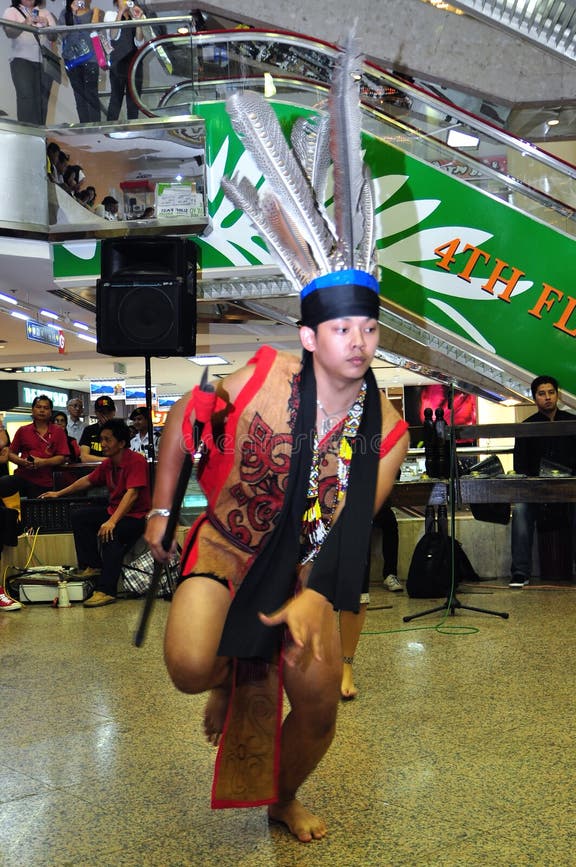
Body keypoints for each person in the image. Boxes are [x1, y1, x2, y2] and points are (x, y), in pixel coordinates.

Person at [146, 289, 409, 840]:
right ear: (310, 337)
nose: (358, 342)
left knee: (319, 707)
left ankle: (281, 798)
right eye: (342, 330)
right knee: (190, 668)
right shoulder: (263, 378)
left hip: (309, 570)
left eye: (369, 328)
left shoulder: (384, 432)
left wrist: (314, 596)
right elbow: (184, 417)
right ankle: (231, 676)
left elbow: (353, 525)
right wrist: (161, 509)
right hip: (231, 544)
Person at [41, 419, 150, 607]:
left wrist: (112, 522)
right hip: (114, 512)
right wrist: (58, 493)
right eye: (102, 439)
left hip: (136, 517)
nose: (103, 444)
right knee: (80, 516)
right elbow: (87, 481)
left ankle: (107, 590)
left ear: (122, 443)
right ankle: (93, 565)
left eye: (108, 440)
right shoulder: (109, 464)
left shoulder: (136, 461)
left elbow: (132, 495)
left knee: (110, 534)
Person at [509, 375, 576, 587]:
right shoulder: (526, 427)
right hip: (536, 491)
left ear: (557, 395)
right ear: (535, 398)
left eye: (551, 393)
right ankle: (520, 572)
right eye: (542, 394)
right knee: (520, 510)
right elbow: (520, 466)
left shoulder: (572, 422)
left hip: (569, 489)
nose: (547, 397)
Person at [1, 394, 69, 498]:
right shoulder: (23, 430)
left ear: (51, 412)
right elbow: (10, 454)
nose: (42, 410)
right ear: (32, 410)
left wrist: (42, 462)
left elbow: (63, 457)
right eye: (38, 407)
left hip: (46, 481)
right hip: (22, 476)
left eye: (46, 408)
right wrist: (22, 462)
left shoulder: (58, 431)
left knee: (36, 511)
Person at [2, 0, 57, 124]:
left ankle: (40, 138)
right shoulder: (11, 11)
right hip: (22, 60)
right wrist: (26, 22)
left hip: (46, 62)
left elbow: (54, 37)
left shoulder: (45, 12)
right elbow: (9, 33)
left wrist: (46, 24)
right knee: (26, 98)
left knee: (42, 100)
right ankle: (27, 137)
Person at [59, 0, 103, 123]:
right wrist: (72, 13)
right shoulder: (65, 13)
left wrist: (96, 12)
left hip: (91, 59)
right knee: (79, 97)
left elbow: (95, 29)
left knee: (92, 93)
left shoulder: (95, 12)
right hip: (72, 61)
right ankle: (84, 126)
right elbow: (62, 34)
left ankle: (95, 127)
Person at [105, 0, 146, 121]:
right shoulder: (110, 15)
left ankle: (133, 129)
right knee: (116, 98)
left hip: (135, 62)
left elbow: (140, 42)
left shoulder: (137, 15)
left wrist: (138, 21)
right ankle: (109, 130)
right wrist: (121, 12)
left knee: (134, 99)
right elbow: (113, 36)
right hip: (118, 62)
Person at [79, 394, 115, 463]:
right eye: (102, 412)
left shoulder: (120, 429)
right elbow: (84, 457)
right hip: (93, 470)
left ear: (113, 412)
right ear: (96, 413)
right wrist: (108, 460)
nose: (105, 415)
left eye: (108, 412)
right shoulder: (89, 430)